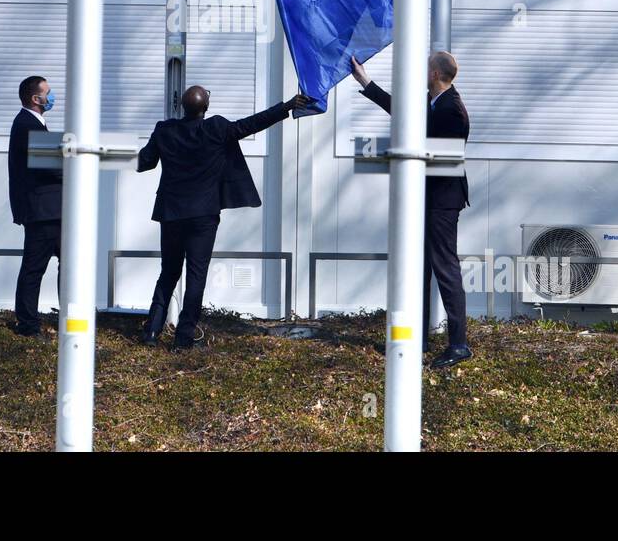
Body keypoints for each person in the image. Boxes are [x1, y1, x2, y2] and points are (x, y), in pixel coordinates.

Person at [136, 86, 311, 350]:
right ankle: (183, 339)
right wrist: (285, 106)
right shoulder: (215, 128)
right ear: (205, 107)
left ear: (183, 107)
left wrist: (103, 156)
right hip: (203, 216)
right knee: (196, 275)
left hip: (171, 214)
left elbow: (144, 162)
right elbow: (250, 125)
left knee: (168, 272)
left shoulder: (165, 130)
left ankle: (152, 331)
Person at [351, 51, 472, 368]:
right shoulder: (430, 102)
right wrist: (366, 81)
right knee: (420, 268)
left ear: (434, 74)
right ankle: (418, 338)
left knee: (446, 268)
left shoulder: (453, 110)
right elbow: (403, 113)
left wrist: (407, 149)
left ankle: (459, 344)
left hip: (443, 201)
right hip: (426, 198)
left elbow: (438, 149)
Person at [8, 75, 62, 336]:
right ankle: (28, 324)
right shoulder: (28, 125)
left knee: (67, 264)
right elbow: (54, 168)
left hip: (50, 210)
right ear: (35, 98)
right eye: (48, 92)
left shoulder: (31, 124)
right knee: (34, 268)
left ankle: (67, 317)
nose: (51, 97)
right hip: (44, 212)